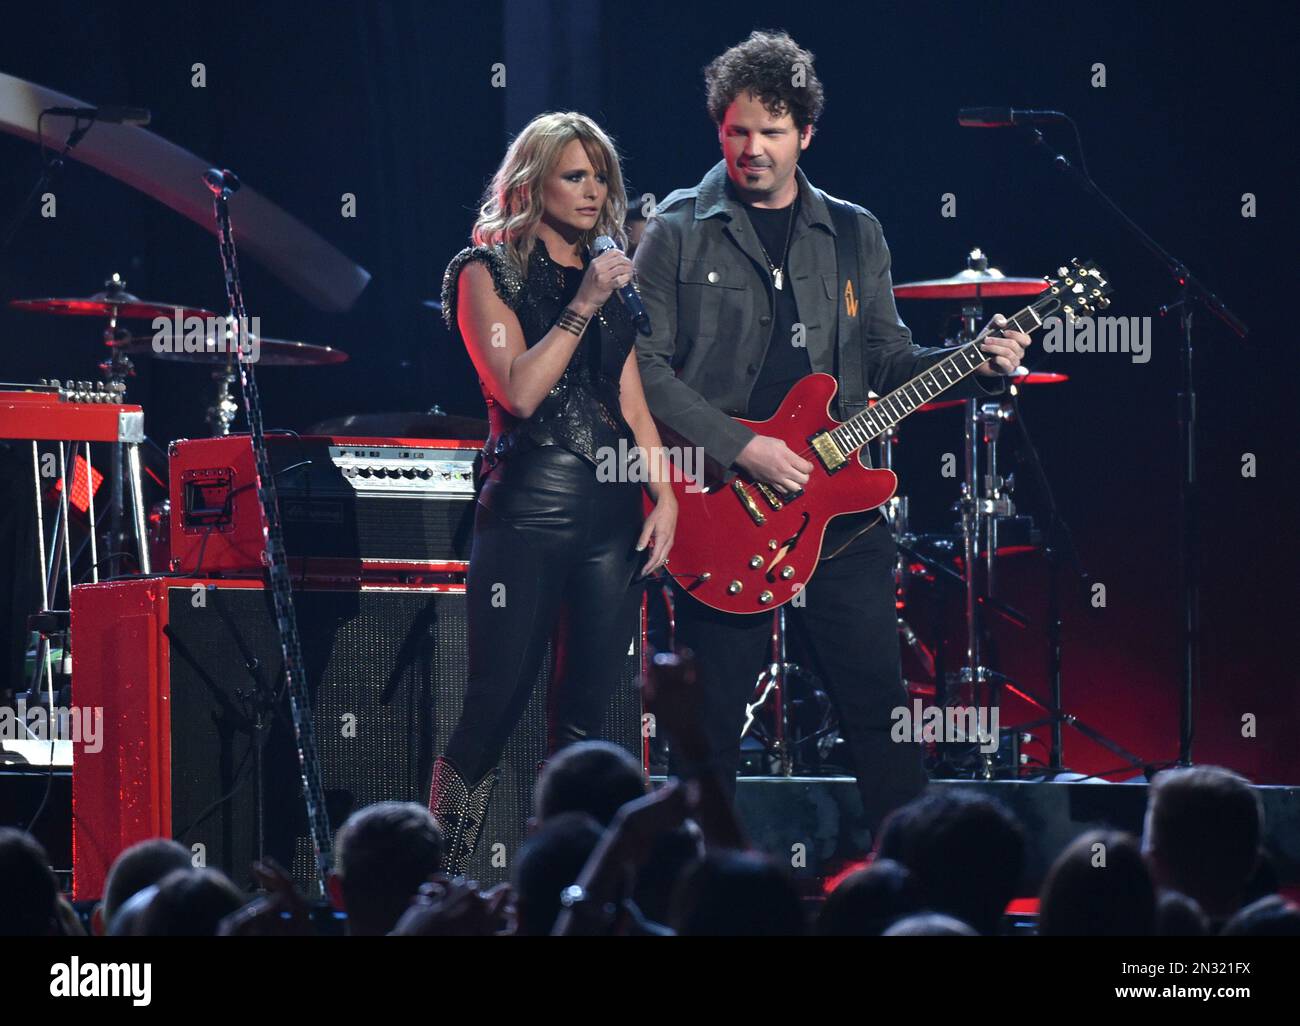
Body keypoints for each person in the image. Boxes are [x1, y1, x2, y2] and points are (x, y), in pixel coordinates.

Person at [632, 30, 1029, 832]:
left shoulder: (855, 233)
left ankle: (910, 892)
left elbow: (888, 359)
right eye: (738, 131)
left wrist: (975, 363)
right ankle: (704, 898)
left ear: (805, 133)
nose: (752, 149)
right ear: (719, 129)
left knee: (881, 717)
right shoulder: (675, 229)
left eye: (772, 132)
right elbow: (642, 369)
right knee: (706, 736)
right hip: (720, 506)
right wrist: (743, 446)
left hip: (839, 517)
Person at [432, 111, 677, 873]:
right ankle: (439, 878)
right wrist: (582, 306)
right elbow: (521, 391)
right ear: (531, 184)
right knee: (494, 705)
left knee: (585, 724)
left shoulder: (605, 278)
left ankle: (559, 884)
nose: (593, 189)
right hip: (530, 508)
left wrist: (664, 494)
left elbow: (630, 399)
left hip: (611, 515)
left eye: (600, 176)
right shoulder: (484, 272)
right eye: (576, 175)